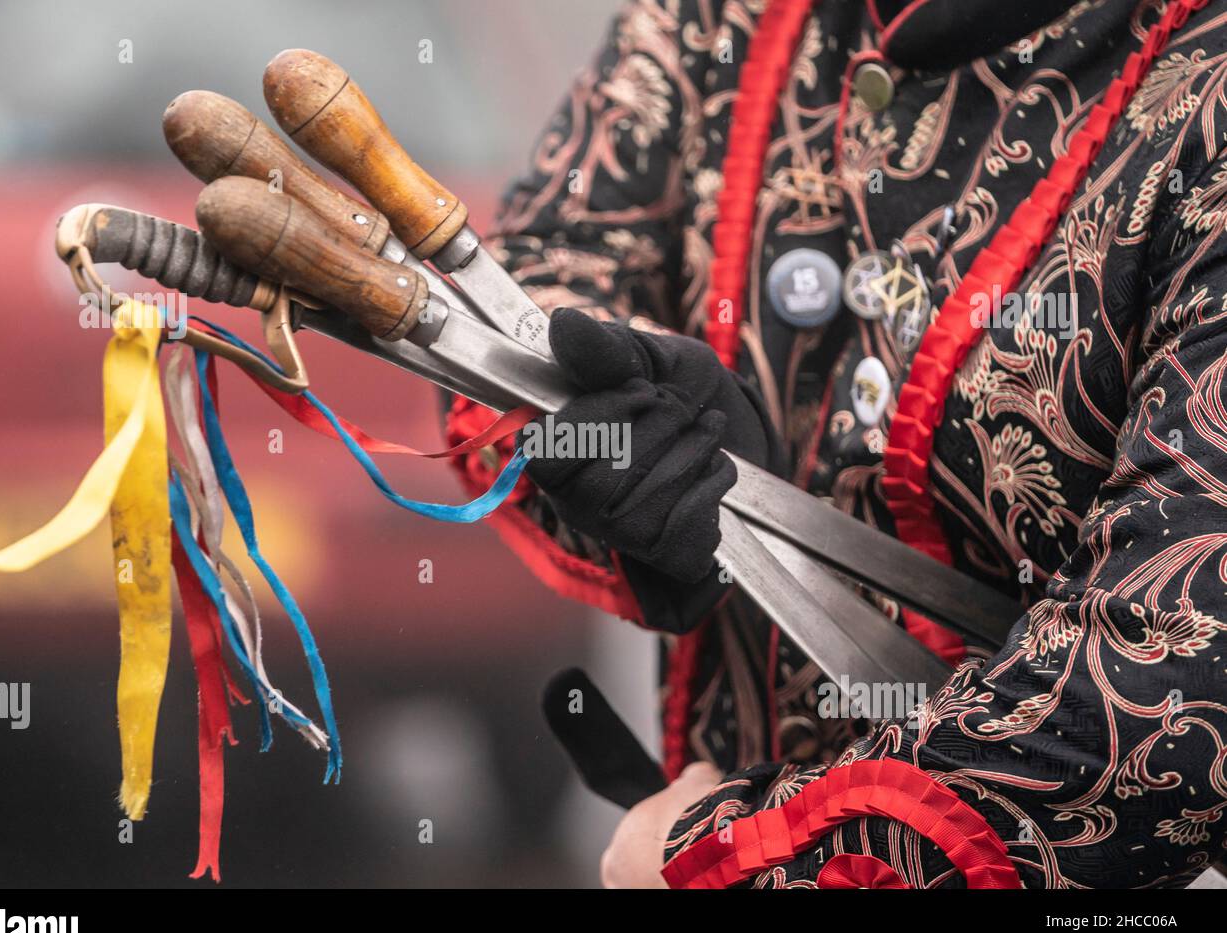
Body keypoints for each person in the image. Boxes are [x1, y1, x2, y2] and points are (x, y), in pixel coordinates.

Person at [444, 0, 1227, 887]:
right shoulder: (718, 18)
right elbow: (522, 285)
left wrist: (714, 857)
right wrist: (623, 420)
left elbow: (1168, 690)